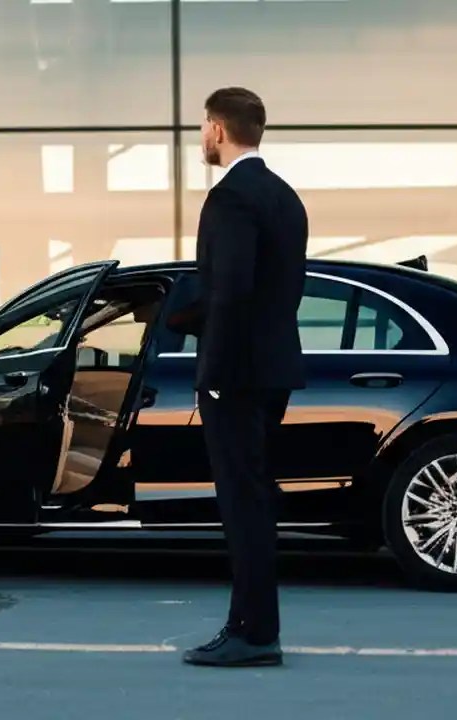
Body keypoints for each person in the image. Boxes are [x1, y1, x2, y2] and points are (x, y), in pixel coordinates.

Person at [170, 87, 309, 668]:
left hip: (238, 374)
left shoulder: (229, 199)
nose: (203, 137)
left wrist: (216, 375)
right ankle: (253, 626)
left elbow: (230, 292)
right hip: (273, 369)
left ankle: (252, 634)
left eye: (204, 126)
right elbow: (276, 291)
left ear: (217, 129)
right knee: (254, 501)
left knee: (242, 505)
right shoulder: (285, 197)